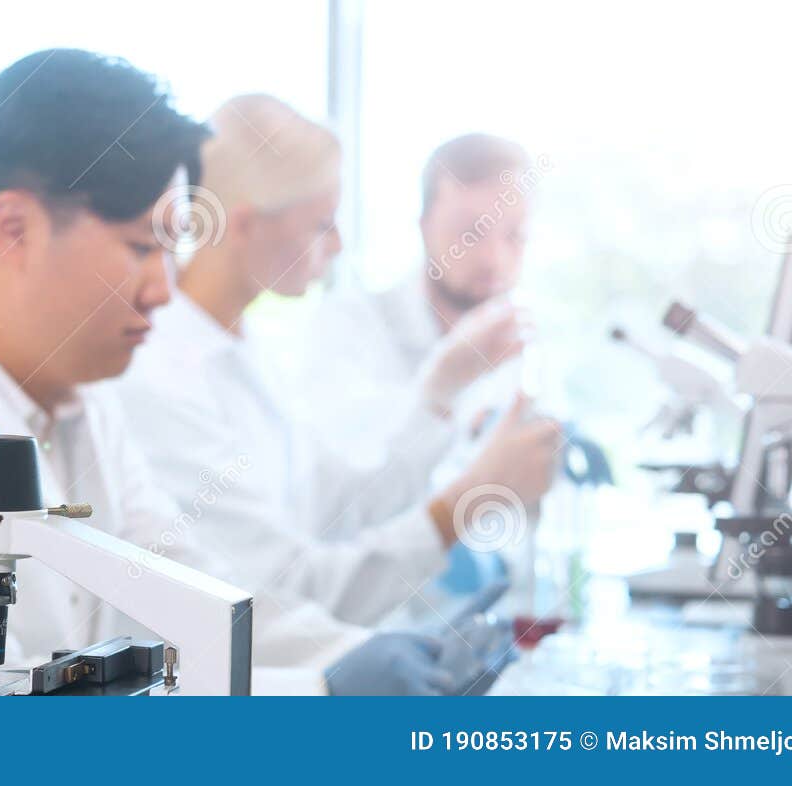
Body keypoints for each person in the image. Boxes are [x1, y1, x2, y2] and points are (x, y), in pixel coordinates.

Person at [0, 50, 505, 696]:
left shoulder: (73, 396)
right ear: (16, 229)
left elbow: (187, 584)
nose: (164, 290)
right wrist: (320, 693)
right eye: (141, 247)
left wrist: (360, 658)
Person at [116, 96, 561, 625]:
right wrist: (468, 497)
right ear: (245, 225)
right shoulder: (162, 376)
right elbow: (286, 593)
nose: (340, 244)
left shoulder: (251, 350)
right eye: (321, 224)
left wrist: (438, 395)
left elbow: (338, 511)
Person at [300, 132, 537, 462]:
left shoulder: (526, 349)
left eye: (515, 236)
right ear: (424, 226)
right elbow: (342, 492)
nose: (493, 259)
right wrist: (440, 390)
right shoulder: (344, 328)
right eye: (471, 232)